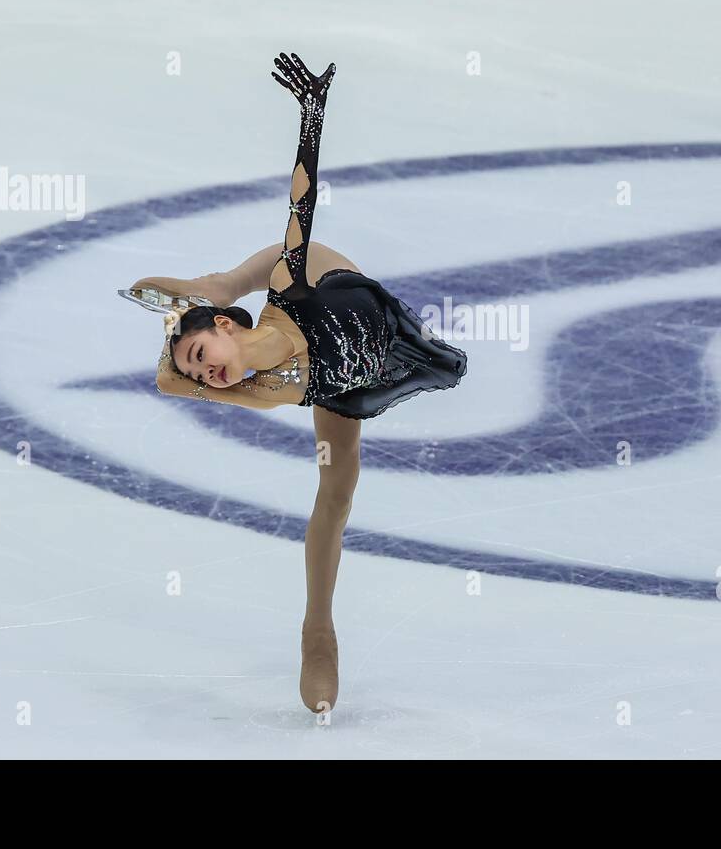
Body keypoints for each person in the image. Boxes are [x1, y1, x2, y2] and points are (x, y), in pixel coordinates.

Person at [118, 53, 468, 713]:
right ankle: (318, 634)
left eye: (201, 350)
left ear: (224, 326)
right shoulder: (254, 388)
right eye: (200, 371)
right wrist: (180, 353)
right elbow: (169, 384)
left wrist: (312, 113)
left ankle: (212, 285)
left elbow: (302, 196)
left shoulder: (287, 281)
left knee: (256, 269)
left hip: (335, 293)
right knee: (334, 493)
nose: (204, 371)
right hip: (338, 383)